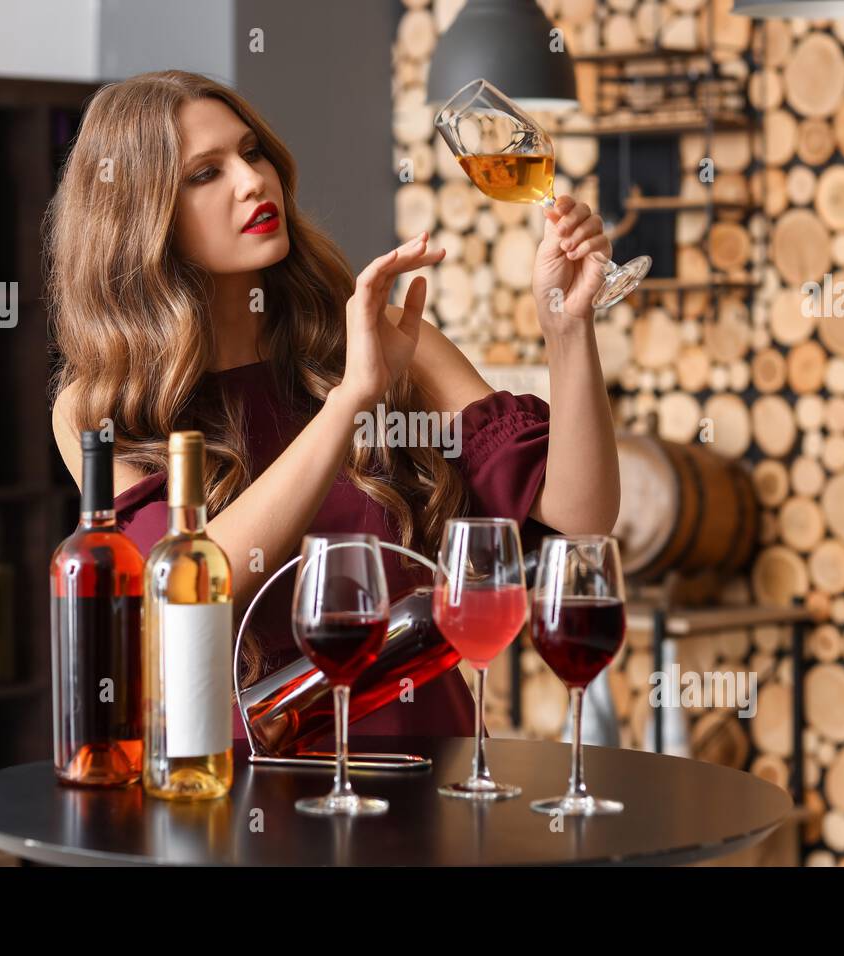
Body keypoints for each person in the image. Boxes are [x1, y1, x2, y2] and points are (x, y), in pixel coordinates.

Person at [46, 70, 620, 744]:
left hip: (428, 771)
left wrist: (568, 327)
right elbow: (196, 583)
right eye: (206, 174)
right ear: (142, 218)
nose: (252, 181)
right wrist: (350, 402)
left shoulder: (388, 340)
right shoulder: (103, 406)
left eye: (252, 151)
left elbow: (582, 514)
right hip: (247, 790)